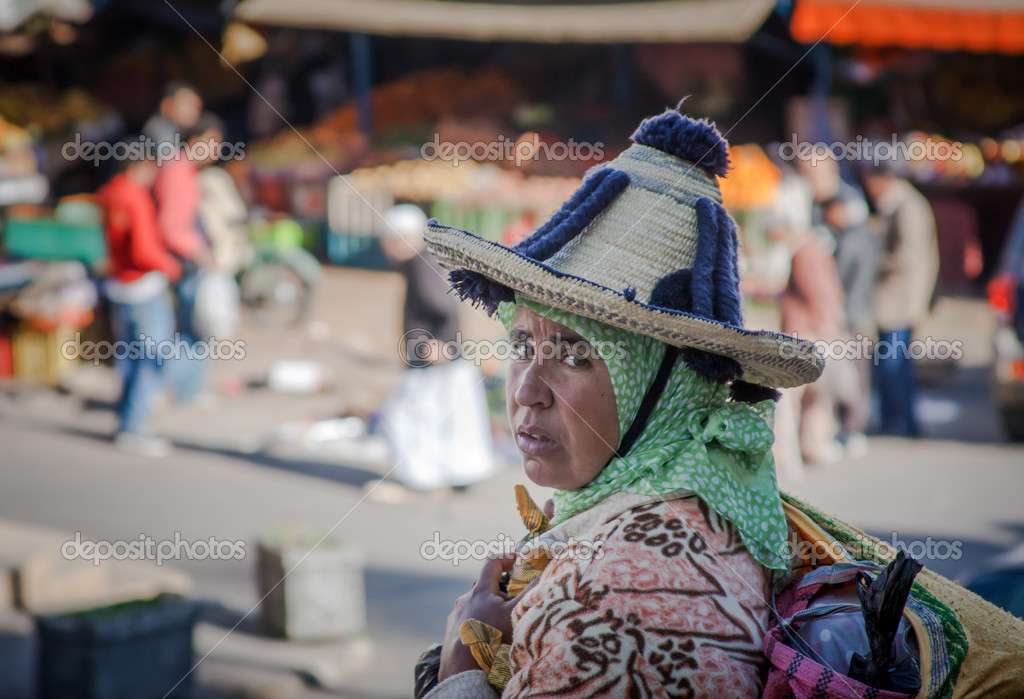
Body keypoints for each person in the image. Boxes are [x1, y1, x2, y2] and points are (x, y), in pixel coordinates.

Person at [418, 109, 824, 696]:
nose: (526, 391)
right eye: (521, 345)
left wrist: (462, 668)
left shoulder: (626, 602)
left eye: (576, 354)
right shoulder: (675, 506)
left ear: (668, 388)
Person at [375, 204, 495, 493]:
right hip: (446, 359)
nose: (387, 251)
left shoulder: (418, 264)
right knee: (452, 418)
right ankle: (457, 474)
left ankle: (421, 477)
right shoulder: (428, 260)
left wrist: (441, 344)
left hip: (433, 360)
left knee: (406, 415)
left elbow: (442, 307)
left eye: (389, 243)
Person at [97, 144, 182, 457]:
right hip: (143, 288)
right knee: (152, 359)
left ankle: (125, 421)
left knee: (129, 357)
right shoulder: (134, 197)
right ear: (139, 165)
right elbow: (144, 251)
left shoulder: (109, 193)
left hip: (119, 286)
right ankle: (134, 427)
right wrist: (172, 266)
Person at [799, 155, 877, 451]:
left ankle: (854, 428)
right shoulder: (822, 206)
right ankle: (843, 428)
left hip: (854, 307)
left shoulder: (849, 211)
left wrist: (835, 303)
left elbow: (848, 269)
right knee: (843, 370)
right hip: (849, 306)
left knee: (854, 372)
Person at [862, 164, 939, 437]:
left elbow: (909, 255)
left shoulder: (908, 206)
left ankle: (900, 422)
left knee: (894, 366)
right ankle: (895, 419)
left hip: (900, 302)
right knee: (893, 363)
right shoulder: (896, 204)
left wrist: (870, 261)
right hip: (893, 301)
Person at [154, 115, 218, 403]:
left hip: (186, 262)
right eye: (212, 142)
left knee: (192, 328)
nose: (217, 150)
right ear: (195, 141)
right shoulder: (177, 171)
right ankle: (178, 390)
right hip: (181, 263)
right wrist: (200, 251)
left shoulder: (184, 170)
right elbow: (171, 227)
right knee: (188, 329)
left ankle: (186, 390)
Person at [143, 82, 203, 151]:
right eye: (186, 105)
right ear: (167, 105)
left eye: (196, 107)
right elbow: (169, 159)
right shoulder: (159, 126)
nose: (193, 112)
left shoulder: (188, 127)